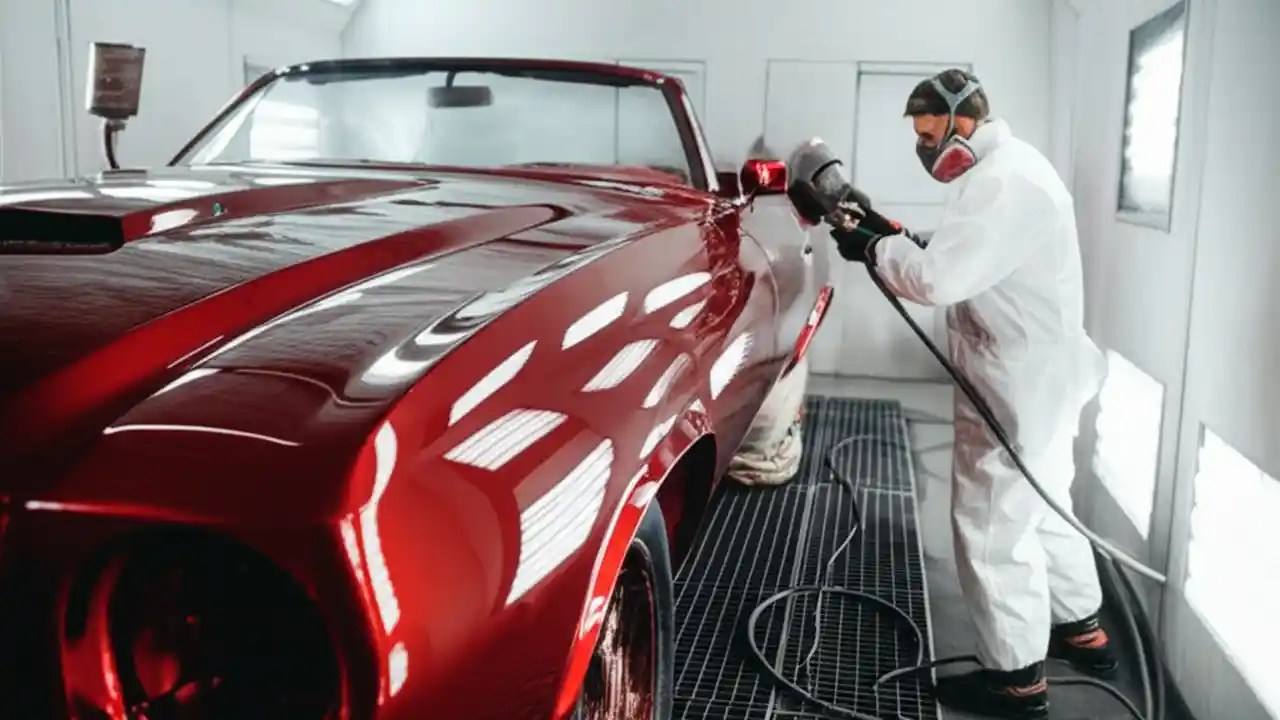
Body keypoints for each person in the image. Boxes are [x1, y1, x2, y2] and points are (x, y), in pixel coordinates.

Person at [828, 68, 1116, 718]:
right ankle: (1084, 631)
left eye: (930, 136)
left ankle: (1015, 681)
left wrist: (876, 250)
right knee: (1044, 502)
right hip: (1044, 375)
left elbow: (939, 277)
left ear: (965, 122)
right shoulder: (1005, 170)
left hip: (1017, 383)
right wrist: (887, 232)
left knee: (993, 525)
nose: (925, 150)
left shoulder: (1003, 181)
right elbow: (971, 252)